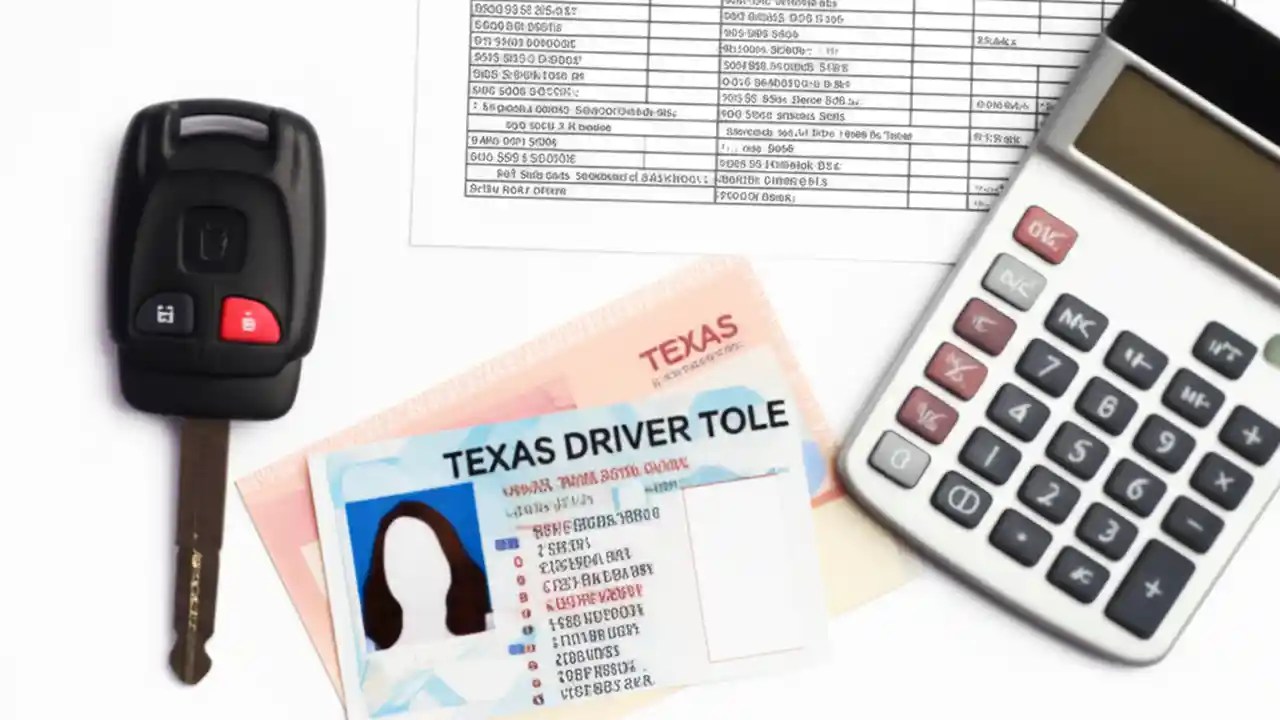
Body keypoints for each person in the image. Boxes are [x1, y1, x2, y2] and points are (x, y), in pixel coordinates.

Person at [362, 500, 491, 650]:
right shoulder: (368, 651)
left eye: (424, 555)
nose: (414, 571)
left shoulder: (493, 629)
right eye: (399, 558)